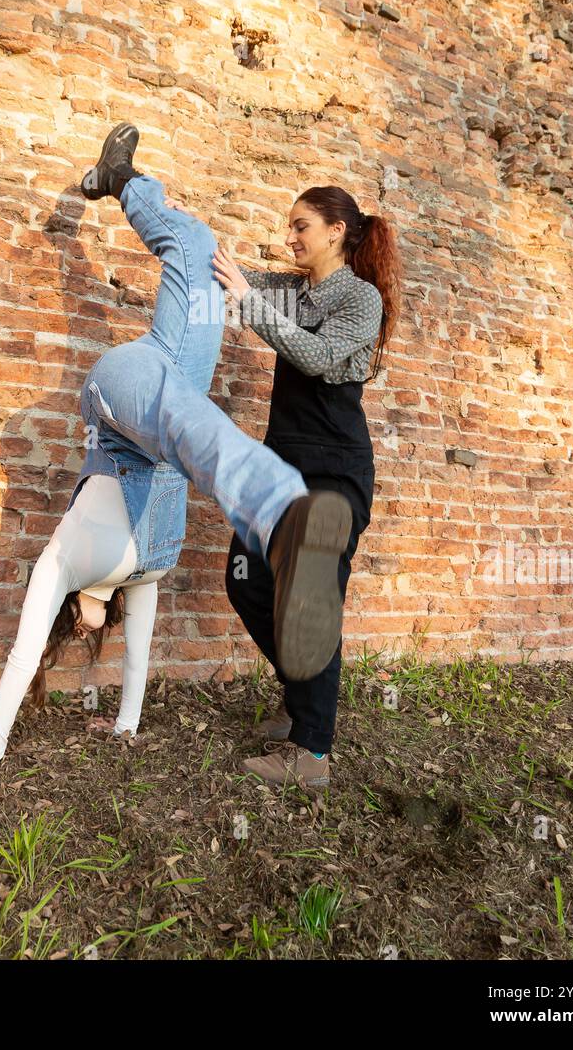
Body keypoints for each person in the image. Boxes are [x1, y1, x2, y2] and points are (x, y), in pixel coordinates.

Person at [0, 125, 355, 766]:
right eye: (91, 631)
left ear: (73, 621)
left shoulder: (65, 565)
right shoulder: (145, 573)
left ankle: (120, 182)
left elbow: (25, 651)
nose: (88, 630)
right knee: (196, 250)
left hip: (117, 397)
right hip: (168, 390)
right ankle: (278, 503)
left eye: (78, 629)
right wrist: (122, 728)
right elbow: (133, 675)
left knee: (178, 392)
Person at [206, 183, 402, 789]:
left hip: (334, 471)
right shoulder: (291, 289)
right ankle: (302, 696)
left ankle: (311, 751)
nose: (289, 238)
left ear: (336, 231)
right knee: (246, 581)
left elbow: (318, 357)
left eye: (301, 227)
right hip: (281, 467)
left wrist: (249, 301)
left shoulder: (359, 300)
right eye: (289, 228)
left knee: (311, 601)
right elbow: (232, 277)